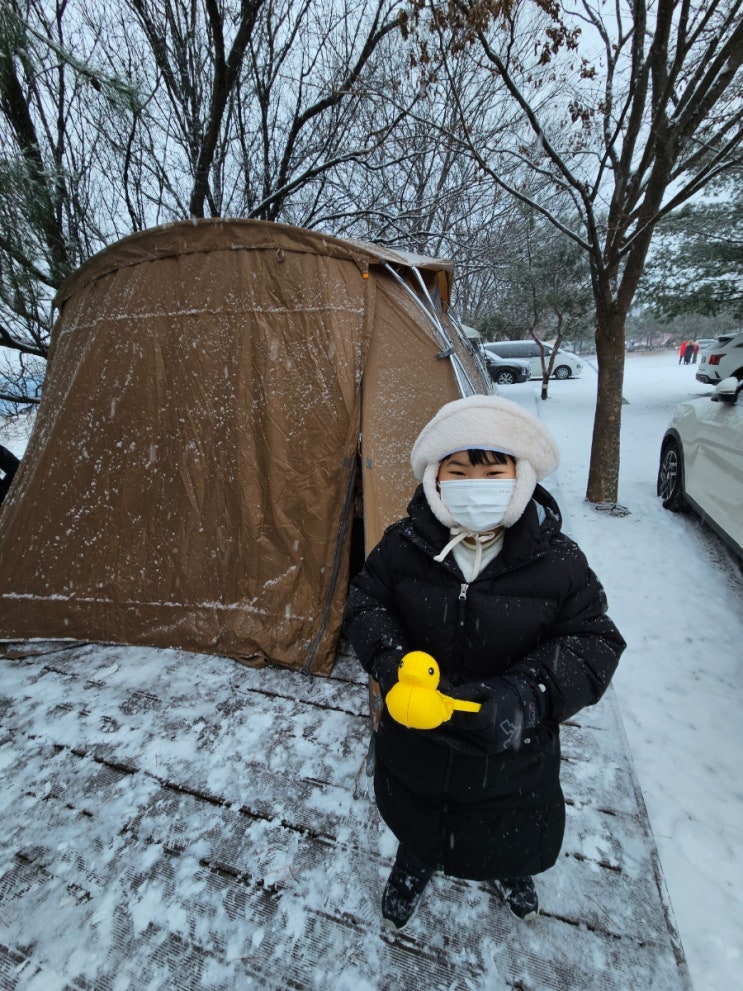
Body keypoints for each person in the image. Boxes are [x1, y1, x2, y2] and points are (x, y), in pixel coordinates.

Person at [343, 395, 625, 930]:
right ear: (435, 478)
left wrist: (527, 697)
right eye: (459, 471)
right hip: (416, 740)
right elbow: (365, 603)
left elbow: (594, 641)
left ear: (521, 478)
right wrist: (393, 663)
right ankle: (415, 862)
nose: (477, 484)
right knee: (418, 815)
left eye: (494, 470)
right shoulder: (402, 546)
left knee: (509, 826)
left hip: (513, 751)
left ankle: (511, 867)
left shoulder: (559, 561)